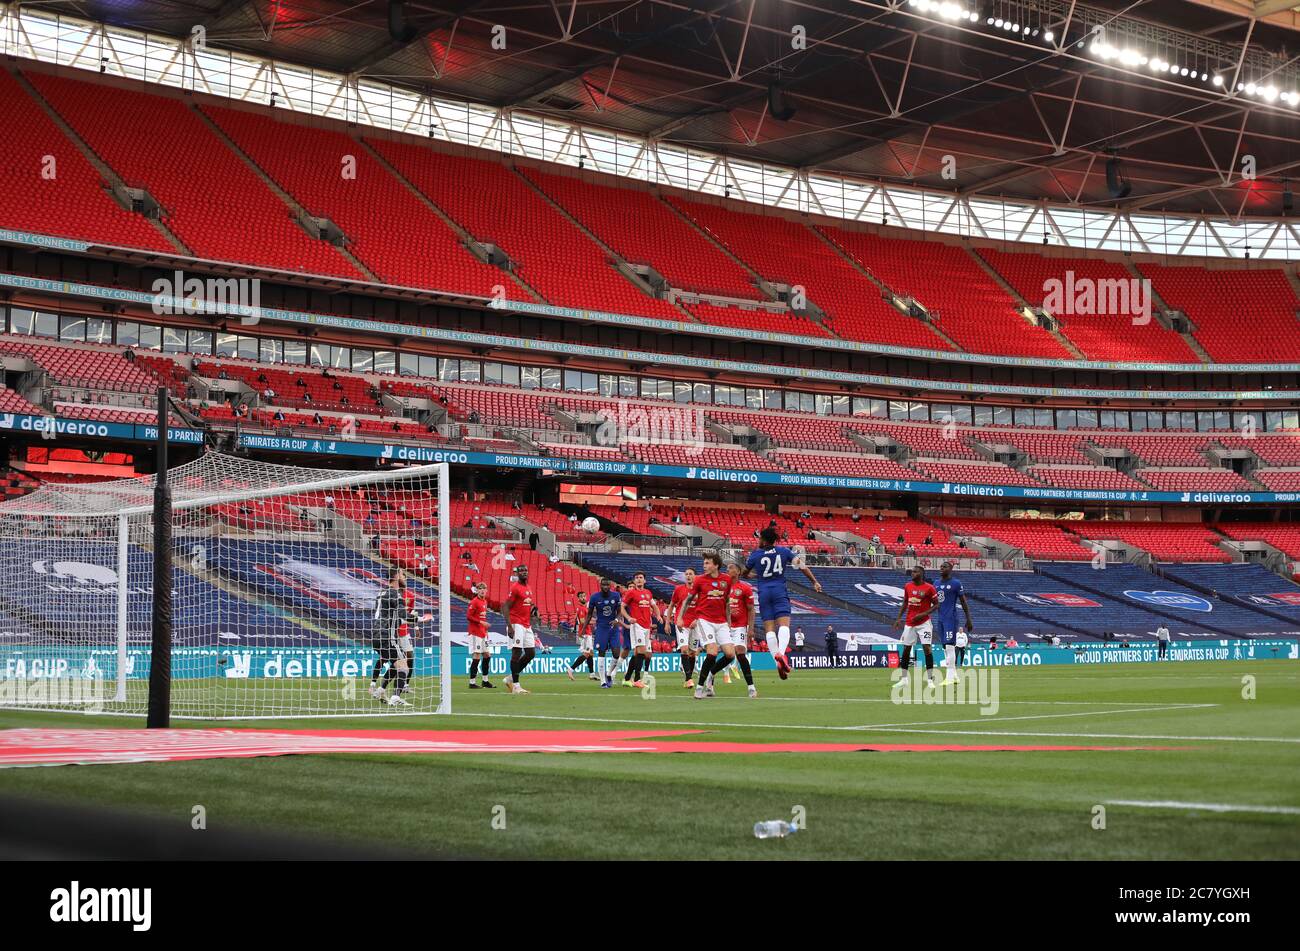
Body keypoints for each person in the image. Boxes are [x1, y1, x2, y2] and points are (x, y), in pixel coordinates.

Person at [742, 526, 822, 681]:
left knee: (769, 629)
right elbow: (801, 566)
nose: (758, 541)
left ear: (764, 540)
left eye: (760, 538)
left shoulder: (756, 555)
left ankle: (777, 660)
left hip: (764, 592)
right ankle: (781, 654)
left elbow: (744, 573)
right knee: (784, 625)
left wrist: (753, 576)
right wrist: (814, 581)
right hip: (779, 590)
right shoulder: (784, 551)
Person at [680, 551, 732, 700]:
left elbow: (726, 601)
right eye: (704, 563)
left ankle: (711, 674)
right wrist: (680, 618)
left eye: (707, 563)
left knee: (730, 654)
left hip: (721, 622)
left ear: (716, 565)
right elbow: (688, 600)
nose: (704, 565)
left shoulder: (726, 580)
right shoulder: (700, 580)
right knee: (712, 652)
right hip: (705, 620)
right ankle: (700, 687)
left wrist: (728, 621)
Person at [892, 565, 938, 690]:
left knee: (927, 648)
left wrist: (923, 614)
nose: (913, 573)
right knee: (906, 649)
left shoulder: (930, 588)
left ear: (922, 573)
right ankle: (904, 679)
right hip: (910, 622)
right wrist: (898, 618)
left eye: (915, 572)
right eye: (912, 572)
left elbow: (936, 604)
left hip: (924, 623)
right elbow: (905, 602)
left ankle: (930, 680)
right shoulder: (908, 586)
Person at [619, 571, 662, 688]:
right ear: (634, 581)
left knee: (638, 653)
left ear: (645, 580)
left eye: (641, 577)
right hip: (636, 625)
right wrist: (628, 618)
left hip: (646, 626)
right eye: (637, 578)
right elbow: (622, 607)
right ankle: (637, 679)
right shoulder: (631, 593)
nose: (639, 579)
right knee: (642, 651)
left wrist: (658, 616)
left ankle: (627, 678)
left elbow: (654, 606)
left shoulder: (648, 593)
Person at [934, 561, 975, 685]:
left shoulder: (956, 583)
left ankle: (949, 677)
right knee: (945, 648)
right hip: (940, 619)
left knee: (950, 647)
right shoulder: (935, 583)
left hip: (950, 619)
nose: (942, 568)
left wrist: (969, 619)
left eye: (945, 566)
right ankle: (955, 676)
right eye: (941, 566)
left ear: (950, 569)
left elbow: (963, 602)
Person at [369, 570, 406, 704]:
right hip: (386, 635)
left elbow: (385, 616)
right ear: (396, 577)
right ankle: (395, 698)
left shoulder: (381, 593)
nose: (404, 577)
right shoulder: (394, 593)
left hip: (376, 634)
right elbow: (403, 614)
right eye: (402, 575)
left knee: (395, 663)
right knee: (404, 667)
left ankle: (380, 690)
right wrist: (419, 619)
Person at [723, 562, 759, 698]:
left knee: (740, 653)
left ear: (738, 571)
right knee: (726, 655)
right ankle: (710, 678)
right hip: (724, 627)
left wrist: (751, 628)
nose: (728, 570)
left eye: (731, 568)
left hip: (740, 626)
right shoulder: (723, 587)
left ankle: (751, 687)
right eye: (727, 568)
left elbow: (751, 610)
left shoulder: (745, 588)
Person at [501, 565, 537, 694]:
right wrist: (510, 626)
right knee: (516, 653)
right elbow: (505, 607)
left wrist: (532, 610)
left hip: (526, 624)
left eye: (526, 570)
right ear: (517, 573)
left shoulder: (528, 587)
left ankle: (510, 678)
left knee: (531, 653)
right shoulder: (515, 587)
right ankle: (516, 686)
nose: (524, 572)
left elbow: (524, 605)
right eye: (521, 571)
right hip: (516, 624)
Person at [584, 578, 624, 688]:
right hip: (601, 628)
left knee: (616, 653)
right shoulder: (594, 597)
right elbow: (589, 614)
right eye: (603, 585)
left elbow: (620, 611)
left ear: (610, 585)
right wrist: (584, 628)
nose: (605, 587)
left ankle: (609, 674)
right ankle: (603, 681)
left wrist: (616, 620)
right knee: (601, 653)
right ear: (600, 585)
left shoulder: (616, 596)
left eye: (607, 585)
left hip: (613, 628)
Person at [670, 567, 700, 688]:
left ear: (695, 576)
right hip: (681, 624)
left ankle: (689, 674)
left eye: (691, 574)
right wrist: (668, 622)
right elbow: (672, 605)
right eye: (686, 574)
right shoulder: (678, 589)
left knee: (692, 653)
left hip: (695, 625)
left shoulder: (700, 591)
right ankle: (688, 679)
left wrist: (697, 620)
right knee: (684, 649)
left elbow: (703, 608)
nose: (688, 576)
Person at [466, 581, 495, 689]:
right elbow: (469, 616)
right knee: (477, 655)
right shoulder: (474, 602)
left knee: (487, 655)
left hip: (482, 632)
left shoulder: (485, 602)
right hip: (475, 632)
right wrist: (481, 622)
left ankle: (485, 681)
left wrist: (484, 627)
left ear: (486, 590)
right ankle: (472, 682)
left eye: (484, 588)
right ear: (477, 590)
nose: (482, 590)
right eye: (480, 588)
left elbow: (482, 617)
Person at [567, 591, 597, 681]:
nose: (583, 598)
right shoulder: (581, 609)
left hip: (587, 633)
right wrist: (596, 621)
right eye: (581, 596)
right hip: (584, 633)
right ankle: (571, 669)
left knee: (590, 653)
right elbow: (583, 621)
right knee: (586, 653)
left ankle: (592, 674)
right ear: (578, 598)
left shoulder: (584, 608)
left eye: (584, 596)